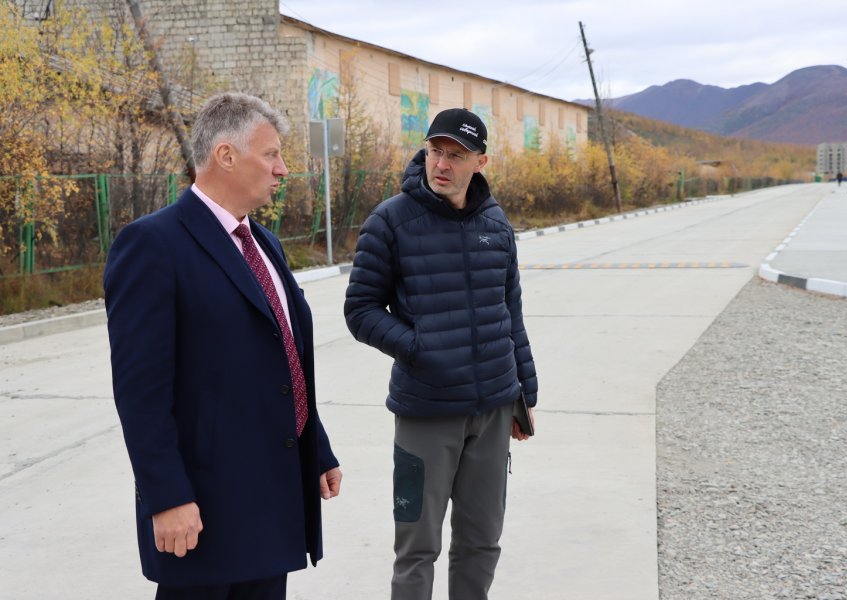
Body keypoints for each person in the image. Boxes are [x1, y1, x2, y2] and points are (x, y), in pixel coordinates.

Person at [104, 92, 342, 600]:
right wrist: (166, 497)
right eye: (272, 154)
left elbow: (283, 358)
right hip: (204, 508)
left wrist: (314, 446)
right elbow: (139, 392)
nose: (283, 169)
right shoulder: (153, 245)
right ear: (226, 155)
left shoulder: (264, 243)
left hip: (271, 496)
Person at [344, 108, 538, 600]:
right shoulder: (391, 221)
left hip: (493, 408)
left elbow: (510, 309)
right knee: (416, 547)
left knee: (481, 541)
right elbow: (361, 309)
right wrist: (419, 348)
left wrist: (523, 391)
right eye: (435, 151)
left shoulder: (496, 223)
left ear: (481, 161)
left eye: (456, 155)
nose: (442, 164)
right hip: (426, 410)